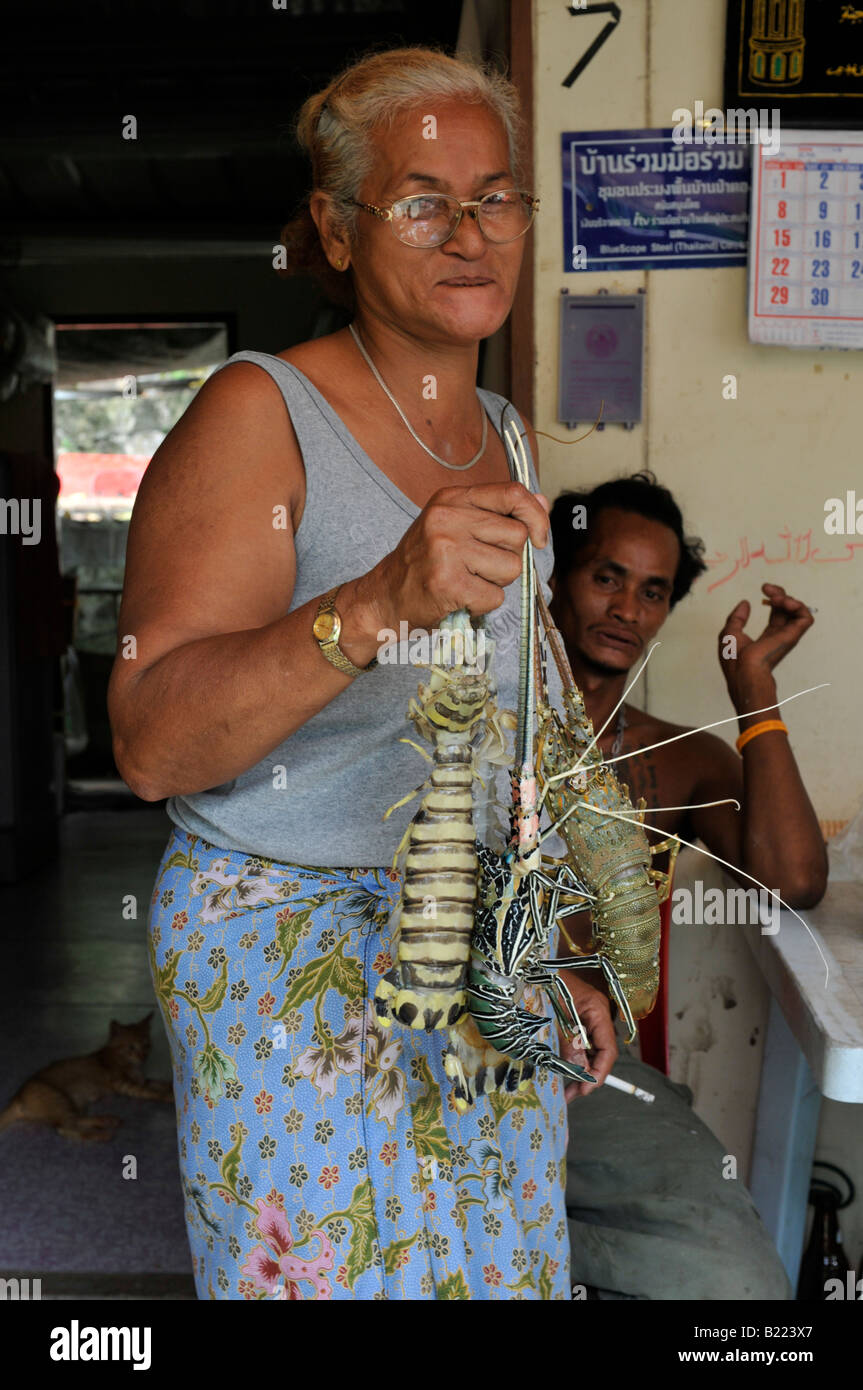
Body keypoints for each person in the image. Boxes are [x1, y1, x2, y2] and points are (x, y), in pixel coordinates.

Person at [107, 45, 615, 1302]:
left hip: (471, 943)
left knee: (494, 1276)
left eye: (494, 197)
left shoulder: (501, 432)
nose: (471, 234)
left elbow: (510, 723)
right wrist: (382, 596)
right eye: (423, 201)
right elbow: (150, 743)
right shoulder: (257, 414)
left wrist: (557, 945)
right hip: (289, 952)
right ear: (336, 230)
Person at [548, 471, 828, 1300]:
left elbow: (792, 882)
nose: (627, 609)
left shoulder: (678, 760)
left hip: (593, 1080)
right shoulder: (478, 724)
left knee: (739, 1288)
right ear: (554, 578)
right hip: (459, 1051)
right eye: (605, 577)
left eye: (653, 591)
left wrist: (755, 696)